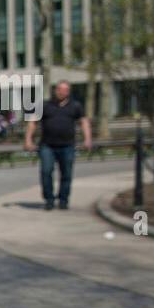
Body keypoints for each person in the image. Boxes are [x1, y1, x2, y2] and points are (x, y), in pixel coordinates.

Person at [25, 80, 92, 210]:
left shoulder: (75, 106)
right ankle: (49, 199)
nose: (62, 92)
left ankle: (63, 199)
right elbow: (32, 122)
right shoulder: (45, 105)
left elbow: (84, 122)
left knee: (66, 173)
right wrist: (28, 140)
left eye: (65, 90)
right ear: (55, 90)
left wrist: (87, 139)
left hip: (67, 145)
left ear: (68, 92)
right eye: (60, 89)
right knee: (46, 171)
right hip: (47, 146)